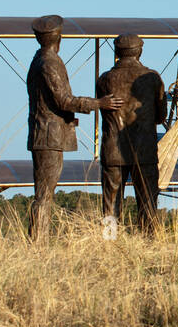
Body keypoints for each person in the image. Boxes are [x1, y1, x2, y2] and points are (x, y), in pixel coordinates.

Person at [26, 15, 122, 241]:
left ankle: (38, 239)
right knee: (44, 194)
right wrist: (99, 103)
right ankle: (37, 241)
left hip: (45, 133)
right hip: (49, 135)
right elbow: (64, 100)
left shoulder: (40, 59)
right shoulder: (49, 63)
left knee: (44, 192)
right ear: (58, 37)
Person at [96, 34, 167, 235]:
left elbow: (103, 111)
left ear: (117, 53)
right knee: (148, 201)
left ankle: (109, 241)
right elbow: (161, 116)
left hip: (113, 149)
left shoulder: (104, 79)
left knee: (110, 203)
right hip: (144, 150)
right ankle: (149, 239)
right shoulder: (153, 78)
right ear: (140, 51)